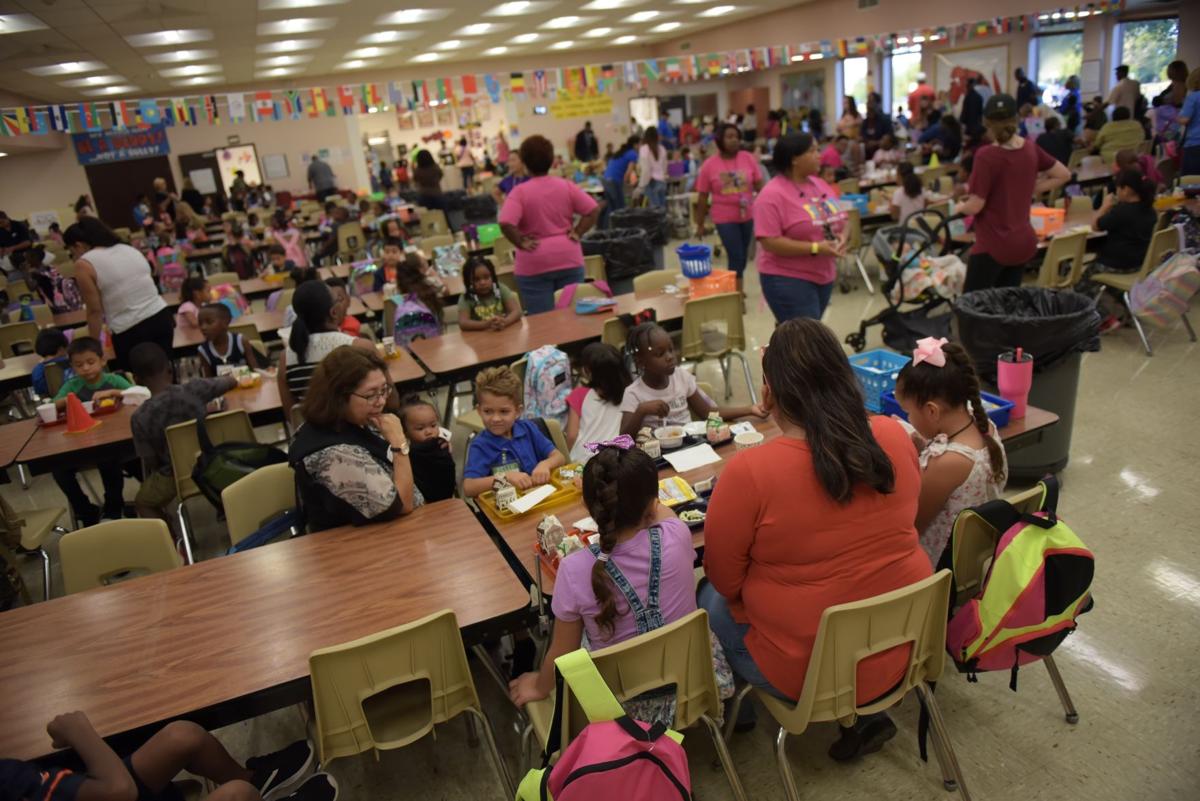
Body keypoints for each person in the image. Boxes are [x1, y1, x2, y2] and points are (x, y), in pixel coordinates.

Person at [699, 318, 931, 755]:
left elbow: (726, 580)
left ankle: (740, 720)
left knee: (709, 598)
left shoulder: (749, 473)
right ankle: (866, 717)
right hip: (903, 650)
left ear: (769, 393)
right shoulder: (895, 435)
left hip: (808, 675)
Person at [507, 443, 715, 717]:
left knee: (580, 640)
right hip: (692, 687)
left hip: (619, 712)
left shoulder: (573, 569)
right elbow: (660, 511)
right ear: (652, 505)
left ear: (589, 508)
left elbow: (562, 654)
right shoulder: (676, 535)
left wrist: (539, 686)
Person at [0, 711, 333, 801]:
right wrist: (79, 729)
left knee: (182, 736)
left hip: (87, 789)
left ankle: (258, 781)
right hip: (110, 792)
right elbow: (119, 792)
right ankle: (250, 791)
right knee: (236, 796)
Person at [894, 338, 1006, 562]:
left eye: (908, 412)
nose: (909, 419)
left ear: (932, 411)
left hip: (942, 571)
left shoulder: (947, 463)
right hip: (976, 556)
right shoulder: (985, 427)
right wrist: (925, 447)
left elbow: (909, 526)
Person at [289, 346, 421, 532]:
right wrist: (399, 444)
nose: (381, 401)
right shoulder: (334, 455)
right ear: (339, 398)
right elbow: (403, 504)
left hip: (389, 528)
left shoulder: (354, 420)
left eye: (384, 390)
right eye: (370, 395)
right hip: (360, 546)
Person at [956, 94, 1070, 292]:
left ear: (986, 123)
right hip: (1023, 243)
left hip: (994, 245)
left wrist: (958, 207)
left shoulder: (986, 155)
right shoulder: (1030, 148)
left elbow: (976, 205)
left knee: (971, 308)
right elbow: (1063, 174)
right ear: (1017, 120)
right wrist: (1030, 188)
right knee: (1007, 305)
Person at [126, 342, 236, 520]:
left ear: (136, 379)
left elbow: (150, 460)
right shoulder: (195, 389)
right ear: (170, 368)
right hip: (213, 463)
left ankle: (172, 541)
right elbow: (231, 381)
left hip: (174, 475)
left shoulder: (139, 417)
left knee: (143, 502)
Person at [497, 134, 600, 315]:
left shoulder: (519, 192)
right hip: (568, 256)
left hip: (533, 261)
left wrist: (521, 242)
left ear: (525, 163)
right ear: (552, 160)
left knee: (543, 323)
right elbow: (592, 210)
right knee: (574, 317)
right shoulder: (566, 186)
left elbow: (505, 222)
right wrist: (577, 232)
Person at [753, 132, 848, 323]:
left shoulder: (819, 184)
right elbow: (769, 241)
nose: (819, 155)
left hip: (824, 274)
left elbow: (842, 219)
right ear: (794, 158)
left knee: (804, 337)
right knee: (806, 340)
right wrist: (815, 248)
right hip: (788, 278)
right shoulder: (771, 195)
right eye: (812, 151)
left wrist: (843, 237)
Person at [64, 217, 173, 369]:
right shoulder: (128, 248)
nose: (74, 257)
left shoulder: (84, 263)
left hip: (130, 328)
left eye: (72, 252)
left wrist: (93, 347)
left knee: (138, 387)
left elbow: (94, 311)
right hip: (161, 316)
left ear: (78, 245)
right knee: (164, 372)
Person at [618, 322, 764, 434]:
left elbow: (708, 413)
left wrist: (750, 409)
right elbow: (624, 439)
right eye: (660, 354)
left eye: (671, 349)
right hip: (659, 457)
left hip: (691, 445)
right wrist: (641, 411)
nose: (670, 357)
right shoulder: (634, 394)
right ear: (640, 362)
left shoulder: (681, 376)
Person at [52, 337, 131, 524]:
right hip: (80, 442)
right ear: (72, 367)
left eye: (90, 362)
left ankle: (113, 508)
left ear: (102, 361)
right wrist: (67, 401)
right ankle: (85, 510)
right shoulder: (72, 386)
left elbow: (137, 393)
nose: (86, 368)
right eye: (79, 365)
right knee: (58, 469)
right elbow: (55, 404)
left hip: (112, 438)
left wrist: (114, 393)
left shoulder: (113, 380)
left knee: (108, 459)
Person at [462, 365, 565, 497]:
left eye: (504, 412)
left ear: (518, 411)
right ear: (479, 411)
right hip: (508, 510)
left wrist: (545, 465)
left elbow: (559, 457)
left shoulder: (529, 429)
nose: (496, 419)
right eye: (488, 411)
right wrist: (505, 478)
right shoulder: (481, 445)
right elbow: (469, 487)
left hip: (541, 499)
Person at [278, 281, 373, 420]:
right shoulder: (360, 347)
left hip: (313, 438)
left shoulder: (285, 358)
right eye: (338, 300)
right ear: (333, 312)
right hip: (358, 436)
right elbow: (390, 401)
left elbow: (293, 416)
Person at [694, 123, 763, 293]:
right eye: (729, 137)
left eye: (736, 137)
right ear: (719, 140)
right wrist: (700, 223)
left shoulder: (747, 158)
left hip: (747, 215)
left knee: (743, 257)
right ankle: (737, 294)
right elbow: (702, 196)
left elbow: (760, 186)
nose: (734, 140)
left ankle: (736, 285)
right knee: (736, 255)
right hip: (724, 218)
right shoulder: (709, 165)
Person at [566, 342, 629, 464]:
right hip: (614, 459)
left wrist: (565, 459)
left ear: (587, 371)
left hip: (582, 460)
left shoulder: (579, 394)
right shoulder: (627, 393)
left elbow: (571, 435)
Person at [399, 395, 456, 503]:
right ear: (405, 431)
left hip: (446, 496)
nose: (429, 431)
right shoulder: (406, 451)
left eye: (433, 425)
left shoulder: (441, 442)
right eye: (420, 428)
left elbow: (445, 432)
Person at [457, 255, 521, 331]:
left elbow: (516, 312)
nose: (483, 282)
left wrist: (504, 322)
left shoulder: (499, 288)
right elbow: (463, 323)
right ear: (468, 282)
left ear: (493, 277)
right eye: (476, 279)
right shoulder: (466, 296)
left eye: (486, 277)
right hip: (480, 338)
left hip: (503, 334)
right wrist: (485, 324)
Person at [197, 303, 258, 376]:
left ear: (225, 322)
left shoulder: (240, 341)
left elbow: (256, 371)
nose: (203, 327)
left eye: (209, 322)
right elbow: (209, 381)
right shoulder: (203, 350)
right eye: (200, 323)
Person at [601, 135, 640, 227]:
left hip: (606, 180)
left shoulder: (621, 152)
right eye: (639, 144)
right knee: (620, 208)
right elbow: (628, 172)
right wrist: (628, 184)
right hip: (614, 181)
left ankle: (605, 229)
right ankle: (620, 231)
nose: (640, 147)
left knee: (611, 208)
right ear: (635, 145)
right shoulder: (632, 153)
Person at [31, 328, 71, 399]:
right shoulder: (70, 362)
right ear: (61, 349)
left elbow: (40, 392)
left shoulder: (36, 370)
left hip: (53, 404)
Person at [635, 126, 669, 209]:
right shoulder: (662, 149)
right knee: (662, 212)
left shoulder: (644, 149)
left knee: (655, 214)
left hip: (651, 183)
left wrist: (640, 187)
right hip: (662, 182)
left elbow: (646, 171)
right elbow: (665, 168)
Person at [1178, 68, 1200, 177]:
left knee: (1191, 181)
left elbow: (1184, 119)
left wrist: (1178, 118)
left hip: (1194, 144)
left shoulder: (1193, 97)